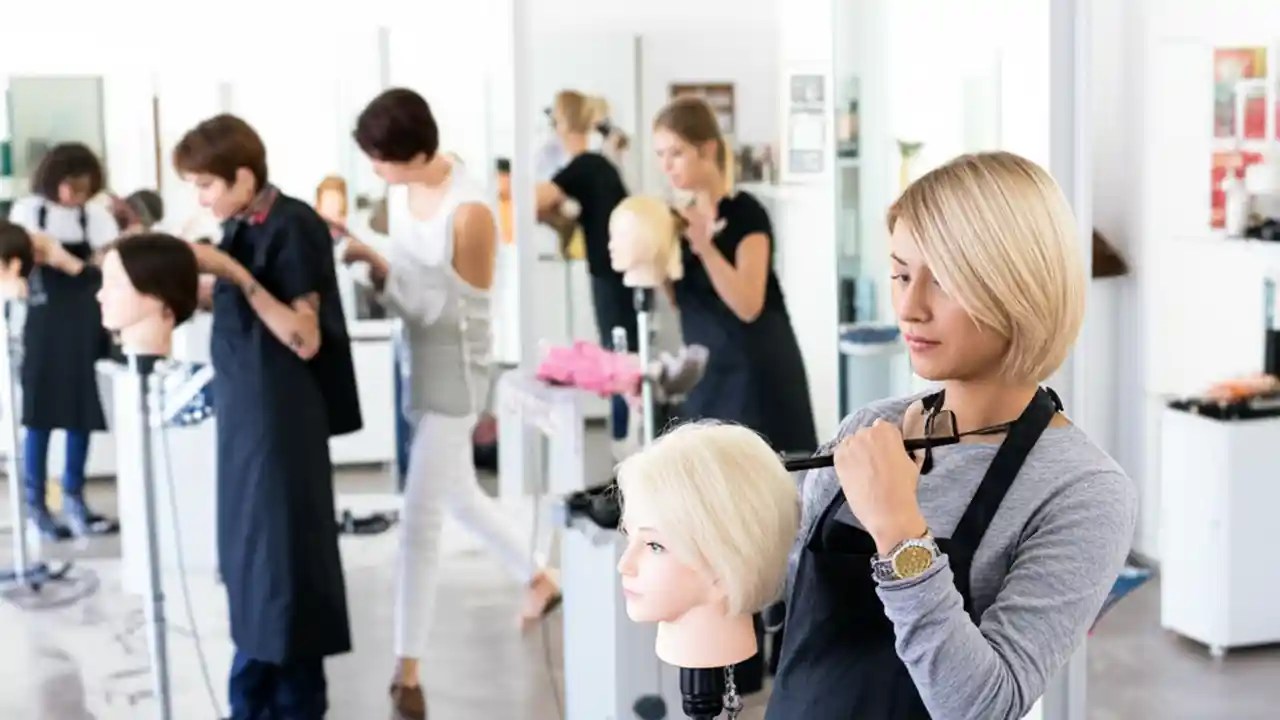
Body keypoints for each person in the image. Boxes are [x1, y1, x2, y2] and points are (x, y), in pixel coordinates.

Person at [767, 151, 1138, 719]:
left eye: (943, 280)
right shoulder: (868, 429)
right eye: (901, 274)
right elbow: (785, 599)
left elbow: (983, 707)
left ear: (1021, 287)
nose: (910, 308)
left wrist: (898, 529)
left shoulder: (1084, 492)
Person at [344, 87, 562, 720]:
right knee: (460, 496)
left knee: (421, 518)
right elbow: (415, 299)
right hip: (417, 364)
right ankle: (538, 576)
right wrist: (378, 270)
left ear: (412, 153)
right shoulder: (400, 194)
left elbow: (456, 316)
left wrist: (379, 270)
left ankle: (406, 669)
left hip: (456, 377)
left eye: (381, 158)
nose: (374, 169)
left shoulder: (470, 213)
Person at [172, 113, 362, 719]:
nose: (201, 198)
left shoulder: (293, 224)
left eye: (206, 185)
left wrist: (231, 272)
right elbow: (238, 300)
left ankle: (284, 703)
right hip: (246, 422)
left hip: (281, 424)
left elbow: (303, 336)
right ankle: (253, 700)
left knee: (283, 567)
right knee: (251, 564)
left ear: (244, 177)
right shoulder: (239, 226)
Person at [652, 95, 817, 689]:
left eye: (675, 152)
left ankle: (786, 649)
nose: (667, 166)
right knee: (714, 517)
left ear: (706, 149)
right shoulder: (677, 221)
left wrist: (702, 244)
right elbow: (688, 306)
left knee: (770, 513)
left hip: (759, 375)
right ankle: (729, 657)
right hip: (711, 377)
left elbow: (747, 302)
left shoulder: (747, 214)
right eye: (660, 155)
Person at [7, 143, 119, 539]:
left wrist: (65, 260)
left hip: (83, 325)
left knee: (79, 414)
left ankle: (75, 497)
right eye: (68, 186)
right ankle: (36, 504)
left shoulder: (97, 218)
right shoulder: (28, 211)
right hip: (41, 325)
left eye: (82, 188)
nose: (73, 195)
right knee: (38, 417)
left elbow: (107, 268)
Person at [536, 89, 635, 455]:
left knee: (619, 356)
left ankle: (625, 441)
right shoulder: (597, 165)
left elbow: (534, 200)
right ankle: (624, 437)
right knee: (620, 351)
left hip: (612, 275)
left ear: (562, 123)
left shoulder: (587, 165)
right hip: (613, 273)